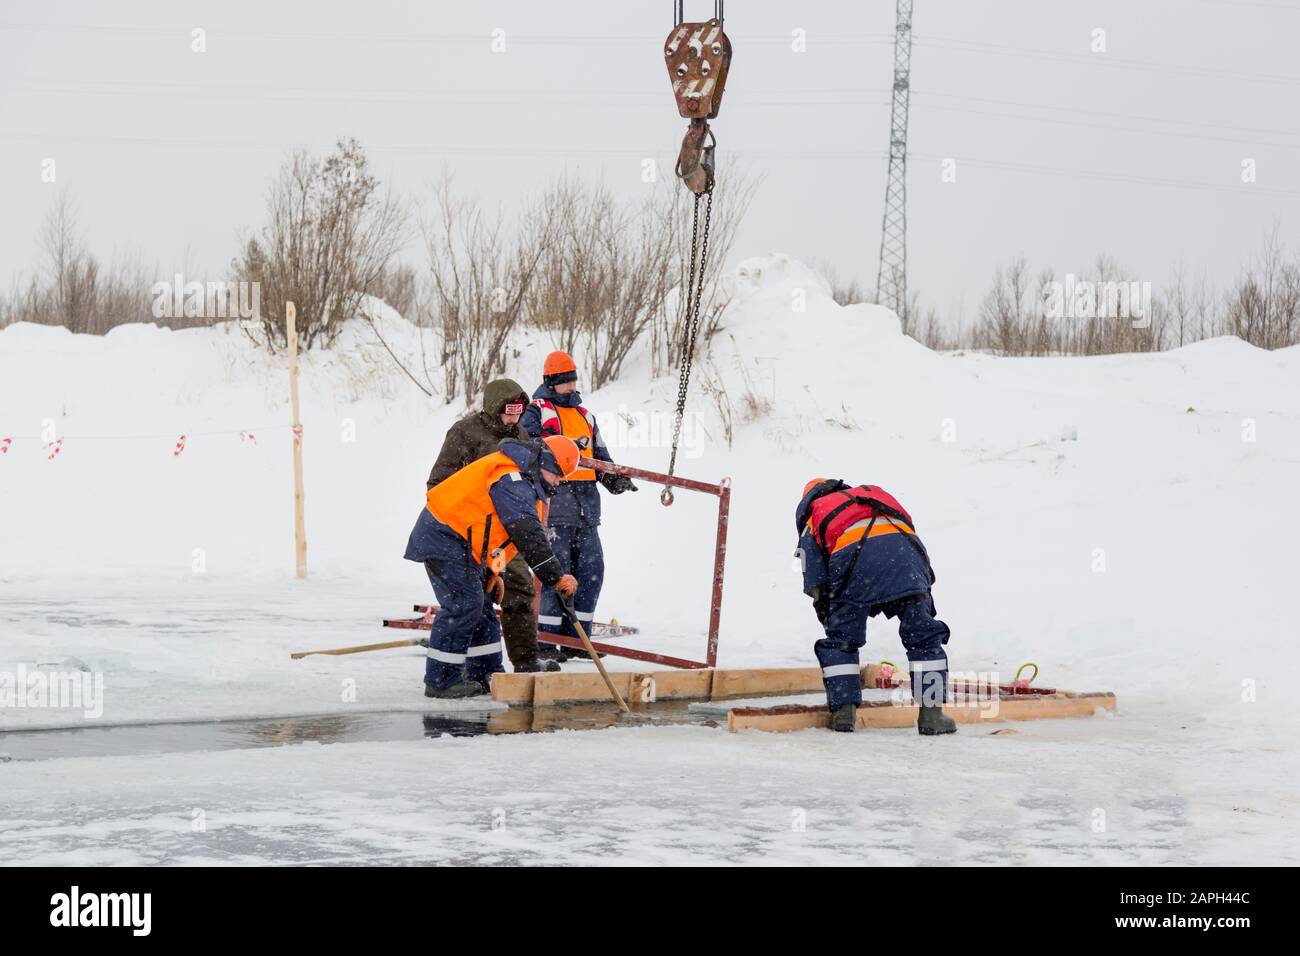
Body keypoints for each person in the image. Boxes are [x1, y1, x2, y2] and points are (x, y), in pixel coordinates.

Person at [404, 435, 581, 698]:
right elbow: (526, 532)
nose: (558, 482)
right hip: (444, 536)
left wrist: (493, 572)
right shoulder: (512, 479)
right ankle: (441, 681)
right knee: (465, 604)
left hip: (466, 546)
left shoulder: (525, 482)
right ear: (544, 461)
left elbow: (499, 536)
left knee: (483, 606)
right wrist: (555, 576)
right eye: (557, 474)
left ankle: (485, 673)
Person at [795, 479, 957, 735]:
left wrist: (830, 612)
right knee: (923, 635)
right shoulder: (873, 497)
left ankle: (843, 714)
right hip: (909, 558)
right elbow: (906, 534)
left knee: (842, 641)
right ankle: (932, 714)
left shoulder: (815, 515)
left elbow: (815, 578)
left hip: (854, 562)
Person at [426, 378, 561, 672]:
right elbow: (438, 483)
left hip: (506, 532)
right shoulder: (464, 432)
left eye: (518, 410)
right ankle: (475, 669)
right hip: (471, 531)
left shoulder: (521, 434)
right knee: (477, 600)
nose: (513, 417)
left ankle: (525, 660)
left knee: (520, 588)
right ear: (493, 407)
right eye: (508, 410)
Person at [521, 351, 636, 657]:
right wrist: (564, 448)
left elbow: (601, 458)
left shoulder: (586, 416)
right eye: (563, 382)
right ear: (550, 382)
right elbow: (526, 448)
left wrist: (615, 480)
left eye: (572, 380)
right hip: (554, 508)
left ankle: (578, 641)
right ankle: (545, 642)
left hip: (586, 510)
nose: (570, 387)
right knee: (555, 577)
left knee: (592, 571)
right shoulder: (537, 411)